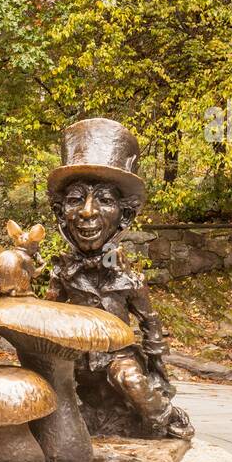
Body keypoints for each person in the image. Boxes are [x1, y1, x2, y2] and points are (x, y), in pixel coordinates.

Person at [46, 118, 193, 440]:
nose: (87, 213)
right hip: (73, 355)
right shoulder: (62, 272)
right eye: (74, 200)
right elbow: (44, 320)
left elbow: (150, 323)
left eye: (104, 200)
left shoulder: (128, 279)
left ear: (124, 215)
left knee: (133, 383)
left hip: (117, 355)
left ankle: (164, 420)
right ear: (60, 214)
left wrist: (157, 373)